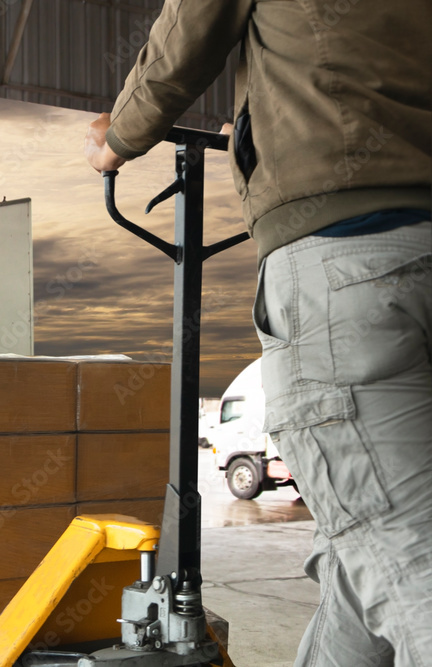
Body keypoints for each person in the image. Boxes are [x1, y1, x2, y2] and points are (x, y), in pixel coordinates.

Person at [83, 1, 431, 665]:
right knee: (364, 561)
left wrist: (119, 137)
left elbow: (189, 33)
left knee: (404, 556)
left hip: (342, 263)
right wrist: (258, 128)